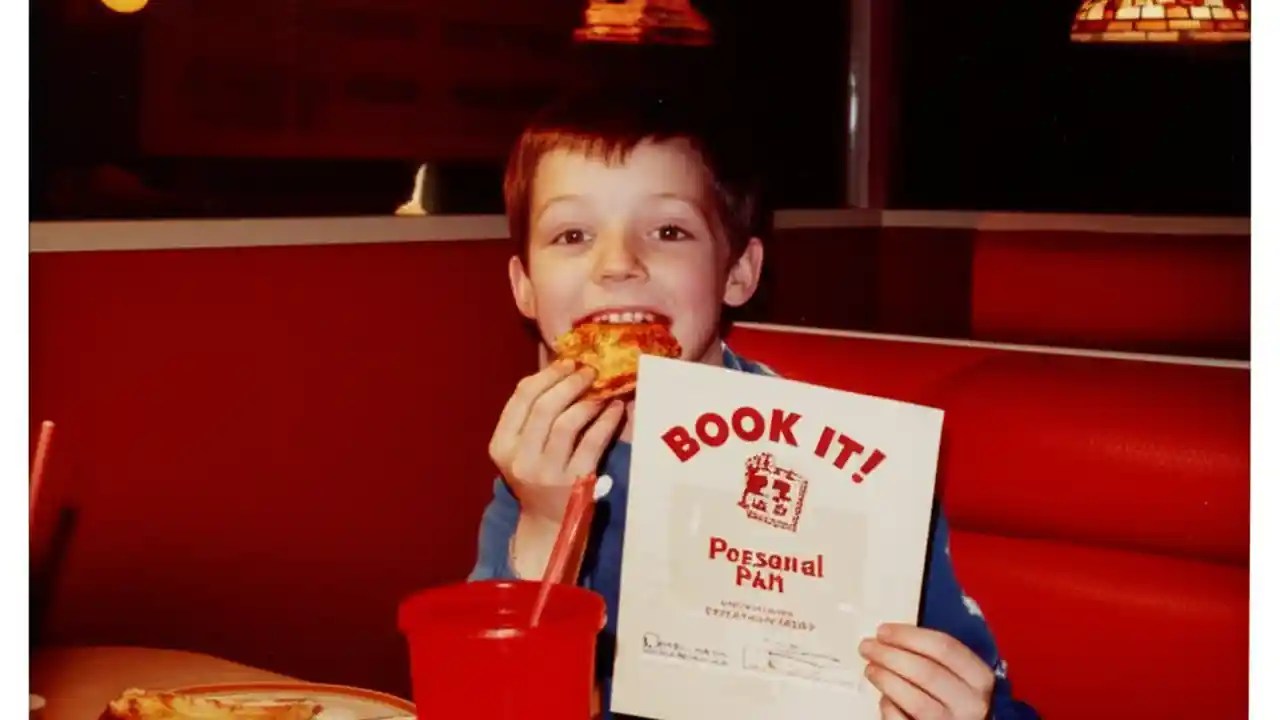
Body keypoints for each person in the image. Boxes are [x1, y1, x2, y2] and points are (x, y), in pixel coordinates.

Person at [468, 82, 1038, 720]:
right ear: (525, 287)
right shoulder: (538, 469)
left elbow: (982, 694)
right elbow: (497, 700)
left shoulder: (847, 464)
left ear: (738, 272)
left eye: (666, 229)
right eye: (572, 234)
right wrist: (548, 524)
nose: (617, 263)